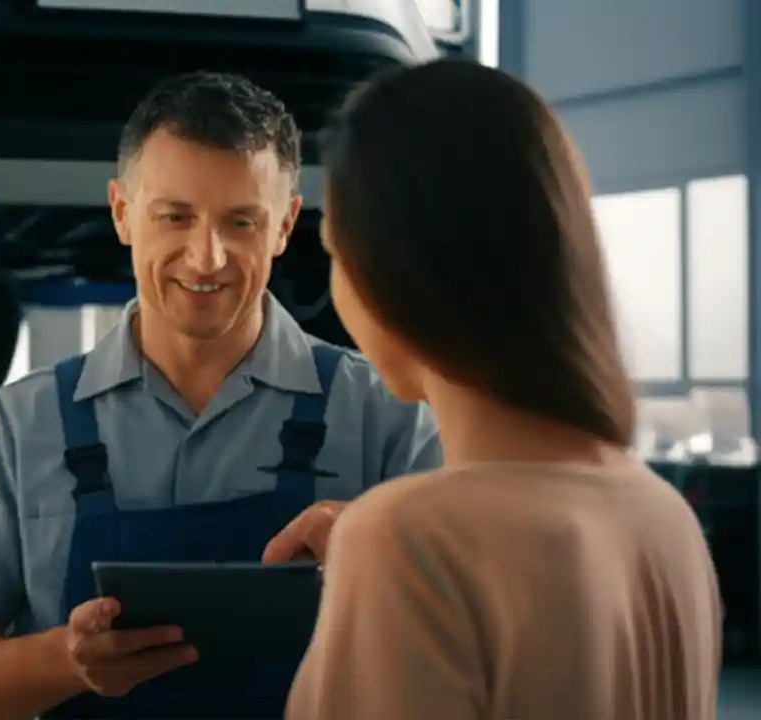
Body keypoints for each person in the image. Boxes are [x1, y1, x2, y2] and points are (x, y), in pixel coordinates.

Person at [0, 71, 442, 719]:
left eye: (241, 221)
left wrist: (379, 556)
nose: (206, 257)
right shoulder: (28, 423)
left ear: (285, 225)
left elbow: (474, 651)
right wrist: (63, 659)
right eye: (175, 217)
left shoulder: (386, 414)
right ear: (123, 213)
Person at [287, 60, 722, 719]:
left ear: (395, 268)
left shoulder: (406, 542)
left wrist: (385, 564)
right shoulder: (666, 519)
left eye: (333, 251)